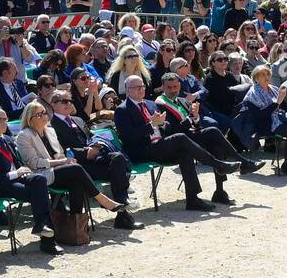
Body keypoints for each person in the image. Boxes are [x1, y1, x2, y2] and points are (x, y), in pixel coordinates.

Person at [114, 75, 231, 211]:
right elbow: (128, 136)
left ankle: (193, 199)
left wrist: (163, 123)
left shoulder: (150, 104)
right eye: (136, 88)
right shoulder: (122, 110)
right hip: (142, 150)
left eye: (142, 87)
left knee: (184, 153)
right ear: (127, 91)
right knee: (180, 137)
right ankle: (218, 164)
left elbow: (167, 127)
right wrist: (151, 125)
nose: (140, 90)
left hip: (160, 145)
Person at [0, 109, 64, 254]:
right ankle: (47, 240)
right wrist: (15, 174)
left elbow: (17, 163)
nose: (4, 122)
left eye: (5, 119)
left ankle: (42, 227)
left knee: (39, 180)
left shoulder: (7, 139)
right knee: (38, 193)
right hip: (0, 186)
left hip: (18, 178)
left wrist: (23, 170)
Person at [13, 102, 127, 218]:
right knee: (76, 169)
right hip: (42, 174)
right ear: (30, 119)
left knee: (76, 180)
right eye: (38, 115)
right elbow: (35, 163)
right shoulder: (24, 136)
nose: (43, 116)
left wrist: (66, 160)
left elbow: (60, 153)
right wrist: (62, 162)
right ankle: (103, 200)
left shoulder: (50, 131)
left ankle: (75, 221)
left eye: (44, 113)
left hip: (59, 170)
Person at [50, 90, 141, 229]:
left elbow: (91, 138)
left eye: (70, 101)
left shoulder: (77, 120)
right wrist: (85, 153)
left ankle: (122, 207)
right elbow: (58, 151)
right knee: (111, 172)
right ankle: (119, 212)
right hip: (76, 166)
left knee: (117, 158)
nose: (69, 104)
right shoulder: (51, 125)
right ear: (53, 104)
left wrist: (98, 147)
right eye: (64, 101)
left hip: (94, 160)